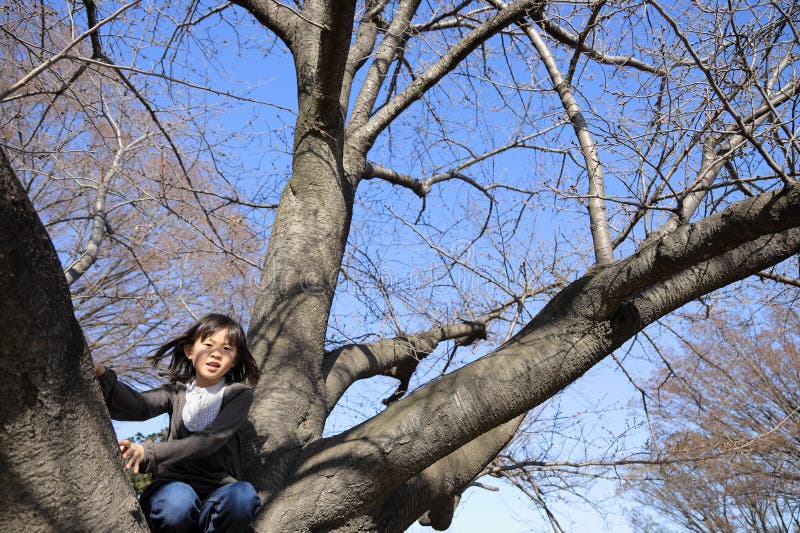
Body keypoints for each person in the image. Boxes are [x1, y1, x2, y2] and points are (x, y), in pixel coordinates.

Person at [95, 313, 261, 533]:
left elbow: (211, 440)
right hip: (171, 488)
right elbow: (140, 405)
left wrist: (150, 453)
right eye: (208, 344)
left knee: (243, 496)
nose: (216, 354)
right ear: (190, 351)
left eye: (227, 349)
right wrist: (105, 379)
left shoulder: (239, 394)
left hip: (218, 492)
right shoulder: (176, 392)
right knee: (178, 502)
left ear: (234, 361)